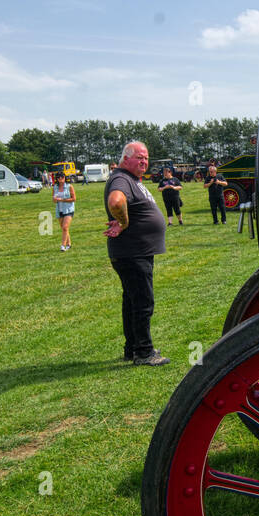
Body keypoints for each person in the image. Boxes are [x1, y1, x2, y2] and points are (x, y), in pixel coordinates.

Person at [103, 142, 170, 366]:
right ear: (125, 158)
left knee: (132, 301)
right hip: (132, 252)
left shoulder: (129, 179)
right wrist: (124, 221)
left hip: (135, 252)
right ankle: (144, 352)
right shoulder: (121, 178)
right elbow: (116, 201)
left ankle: (132, 348)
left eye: (146, 158)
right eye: (139, 158)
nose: (144, 162)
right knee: (143, 301)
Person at [52, 172, 75, 250]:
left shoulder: (69, 186)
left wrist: (62, 199)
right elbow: (54, 200)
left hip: (68, 209)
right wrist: (55, 200)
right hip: (59, 210)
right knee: (64, 228)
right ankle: (69, 244)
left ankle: (63, 246)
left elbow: (74, 199)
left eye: (62, 177)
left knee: (65, 227)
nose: (60, 179)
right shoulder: (55, 187)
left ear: (65, 178)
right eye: (58, 178)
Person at [203, 161, 227, 225]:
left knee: (222, 208)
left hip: (220, 195)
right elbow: (204, 186)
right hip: (212, 196)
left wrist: (219, 182)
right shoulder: (208, 178)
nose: (210, 173)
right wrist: (210, 183)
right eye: (209, 172)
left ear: (215, 172)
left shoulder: (220, 176)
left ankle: (224, 220)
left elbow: (225, 183)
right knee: (213, 210)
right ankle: (215, 221)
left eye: (211, 172)